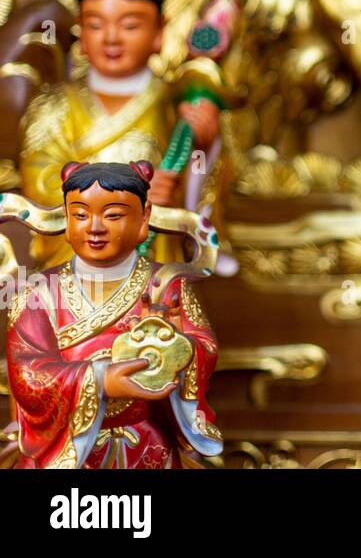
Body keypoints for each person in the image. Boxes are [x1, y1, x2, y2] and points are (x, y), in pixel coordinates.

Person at [6, 161, 221, 468]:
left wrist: (177, 346)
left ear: (144, 217)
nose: (94, 227)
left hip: (146, 443)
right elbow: (27, 373)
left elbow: (205, 347)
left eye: (113, 215)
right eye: (80, 215)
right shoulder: (38, 292)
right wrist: (100, 380)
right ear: (66, 218)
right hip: (68, 451)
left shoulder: (167, 286)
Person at [19, 0, 220, 267]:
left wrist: (204, 146)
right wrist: (121, 198)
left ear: (159, 32)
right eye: (96, 25)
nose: (111, 38)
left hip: (153, 259)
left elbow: (197, 187)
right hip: (76, 261)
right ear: (81, 34)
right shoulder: (55, 105)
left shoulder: (171, 104)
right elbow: (38, 180)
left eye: (129, 25)